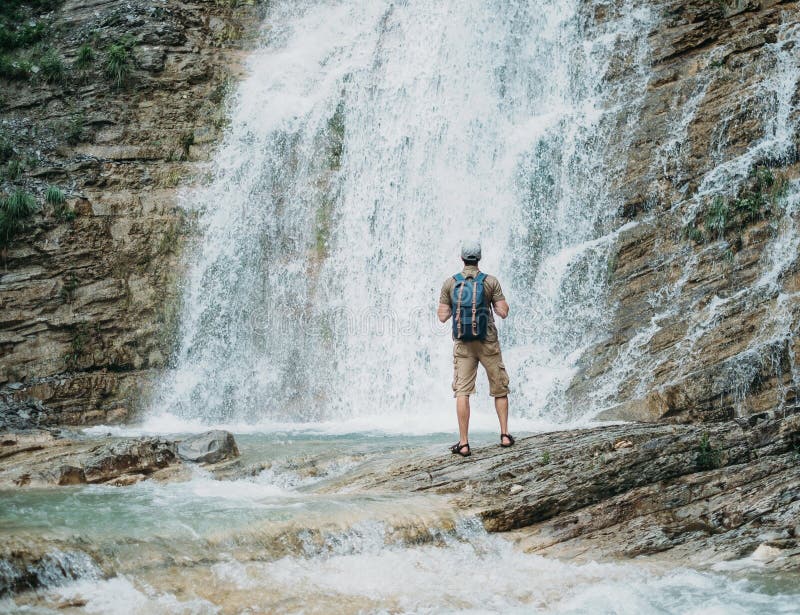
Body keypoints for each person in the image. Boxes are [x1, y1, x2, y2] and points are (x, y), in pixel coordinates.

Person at [437, 240, 513, 457]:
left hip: (463, 344)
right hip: (488, 341)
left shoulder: (450, 283)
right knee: (499, 388)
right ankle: (504, 435)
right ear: (479, 258)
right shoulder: (490, 281)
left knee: (462, 391)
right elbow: (503, 312)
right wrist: (491, 304)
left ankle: (464, 444)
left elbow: (442, 316)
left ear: (462, 258)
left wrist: (457, 307)